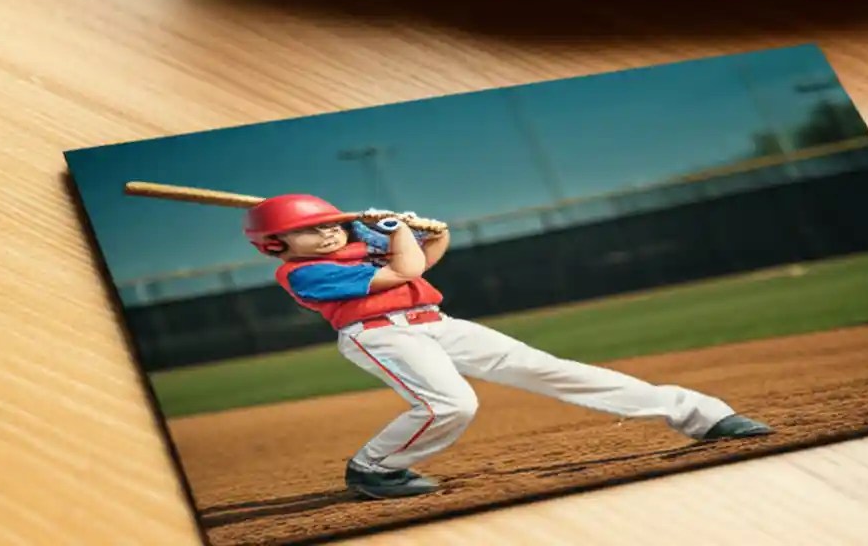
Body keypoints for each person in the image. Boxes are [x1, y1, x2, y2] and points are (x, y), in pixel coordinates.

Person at [244, 193, 774, 500]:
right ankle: (373, 469)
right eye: (309, 230)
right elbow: (404, 268)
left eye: (329, 223)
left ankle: (702, 416)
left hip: (437, 323)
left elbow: (425, 257)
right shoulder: (302, 273)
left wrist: (427, 229)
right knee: (451, 404)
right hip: (384, 336)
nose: (328, 234)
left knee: (554, 369)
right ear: (277, 246)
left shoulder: (361, 246)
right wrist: (397, 232)